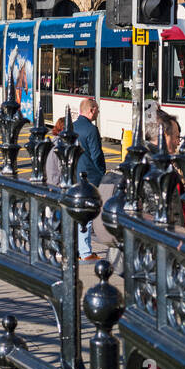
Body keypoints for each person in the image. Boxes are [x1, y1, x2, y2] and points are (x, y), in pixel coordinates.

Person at [72, 98, 105, 262]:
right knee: (87, 214)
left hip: (73, 174)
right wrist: (101, 172)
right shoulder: (91, 130)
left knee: (75, 211)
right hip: (90, 175)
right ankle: (85, 251)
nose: (98, 113)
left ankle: (75, 249)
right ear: (91, 110)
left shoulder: (72, 127)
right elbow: (96, 155)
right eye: (97, 110)